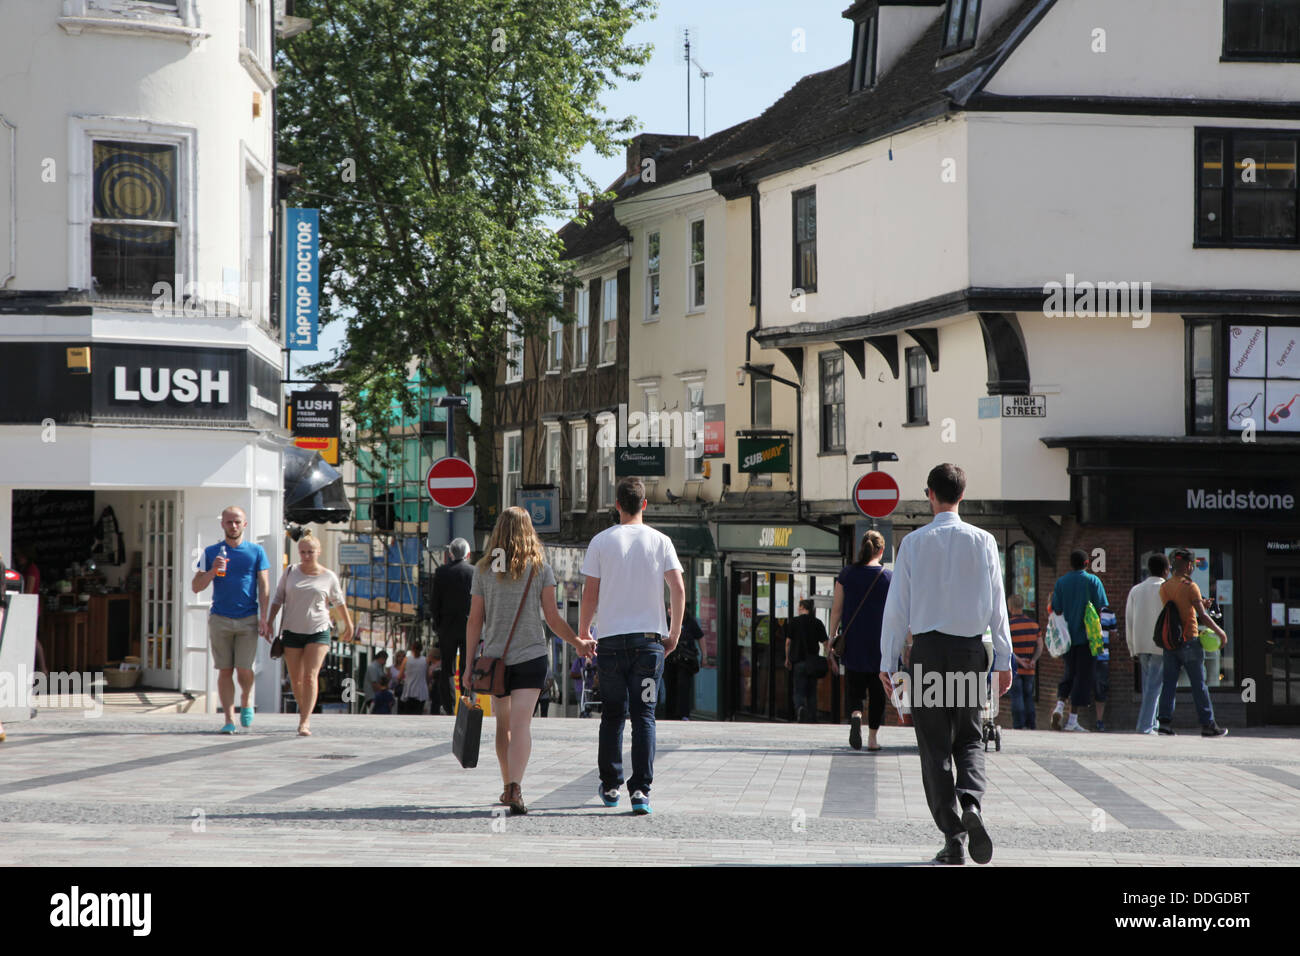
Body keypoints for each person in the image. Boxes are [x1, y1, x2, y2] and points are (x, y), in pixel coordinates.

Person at [880, 463, 1012, 866]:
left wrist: (887, 661)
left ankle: (953, 837)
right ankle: (971, 801)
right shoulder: (985, 540)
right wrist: (1004, 659)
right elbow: (997, 605)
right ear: (962, 495)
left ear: (930, 495)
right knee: (970, 738)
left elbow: (897, 608)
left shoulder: (913, 544)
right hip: (971, 652)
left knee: (933, 746)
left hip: (928, 653)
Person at [463, 506, 592, 814]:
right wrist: (577, 642)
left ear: (497, 531)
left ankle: (508, 785)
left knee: (503, 725)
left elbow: (474, 621)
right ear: (528, 531)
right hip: (531, 656)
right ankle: (516, 788)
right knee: (522, 726)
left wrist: (468, 665)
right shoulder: (539, 568)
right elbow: (552, 617)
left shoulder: (483, 569)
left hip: (495, 661)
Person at [580, 477, 684, 816]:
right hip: (649, 643)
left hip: (609, 643)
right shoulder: (661, 541)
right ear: (644, 505)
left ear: (617, 506)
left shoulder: (601, 541)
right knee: (644, 717)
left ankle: (611, 785)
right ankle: (641, 791)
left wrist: (584, 633)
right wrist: (674, 633)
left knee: (612, 715)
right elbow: (678, 589)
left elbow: (590, 594)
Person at [190, 506, 270, 734]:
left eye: (237, 522)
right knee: (224, 670)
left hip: (247, 618)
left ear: (244, 524)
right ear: (222, 524)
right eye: (229, 522)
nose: (233, 526)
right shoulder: (212, 551)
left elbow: (264, 586)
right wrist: (213, 571)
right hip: (220, 618)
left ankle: (246, 699)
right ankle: (228, 719)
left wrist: (264, 617)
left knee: (244, 669)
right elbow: (196, 586)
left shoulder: (256, 552)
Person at [266, 530, 353, 736]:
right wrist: (268, 621)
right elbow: (278, 599)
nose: (306, 556)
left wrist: (348, 625)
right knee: (295, 679)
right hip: (292, 631)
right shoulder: (290, 572)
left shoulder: (328, 576)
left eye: (310, 552)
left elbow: (339, 603)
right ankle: (303, 709)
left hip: (318, 630)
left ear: (318, 552)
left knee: (310, 676)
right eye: (303, 552)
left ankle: (305, 721)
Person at [829, 530, 891, 750]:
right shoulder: (888, 577)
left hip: (853, 642)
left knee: (854, 689)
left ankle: (855, 714)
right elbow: (897, 614)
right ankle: (872, 739)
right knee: (877, 693)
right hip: (880, 645)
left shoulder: (847, 574)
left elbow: (836, 610)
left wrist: (831, 637)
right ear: (882, 550)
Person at [1157, 549, 1229, 737]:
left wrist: (1197, 605)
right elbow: (1203, 617)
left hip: (1171, 642)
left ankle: (1164, 724)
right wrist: (1220, 632)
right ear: (1189, 565)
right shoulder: (1190, 586)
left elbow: (1177, 610)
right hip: (1190, 640)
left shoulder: (1164, 587)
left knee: (1169, 684)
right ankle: (1208, 725)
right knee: (1199, 684)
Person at [1047, 550, 1107, 733]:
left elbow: (1056, 608)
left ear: (1070, 564)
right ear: (1087, 563)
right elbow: (1100, 606)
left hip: (1067, 638)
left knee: (1069, 672)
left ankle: (1059, 706)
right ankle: (1072, 719)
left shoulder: (1061, 582)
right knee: (1083, 677)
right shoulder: (1093, 581)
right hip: (1088, 638)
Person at [1126, 553, 1170, 734]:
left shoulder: (1136, 590)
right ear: (1166, 570)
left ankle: (1153, 723)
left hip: (1141, 643)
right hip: (1161, 644)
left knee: (1149, 686)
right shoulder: (1166, 589)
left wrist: (1131, 648)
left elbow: (1128, 620)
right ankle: (1145, 725)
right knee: (1154, 687)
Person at [430, 538, 474, 714]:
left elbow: (434, 603)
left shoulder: (441, 573)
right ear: (468, 554)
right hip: (469, 626)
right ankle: (466, 702)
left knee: (447, 668)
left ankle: (448, 707)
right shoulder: (474, 572)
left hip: (447, 627)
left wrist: (438, 624)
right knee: (467, 665)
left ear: (450, 554)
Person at [785, 598, 828, 723]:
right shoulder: (817, 622)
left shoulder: (794, 622)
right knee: (811, 691)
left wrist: (787, 658)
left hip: (798, 662)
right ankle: (812, 716)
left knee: (798, 690)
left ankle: (800, 708)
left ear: (803, 607)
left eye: (799, 608)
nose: (798, 610)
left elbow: (788, 642)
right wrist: (830, 658)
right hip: (813, 662)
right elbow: (825, 643)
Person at [1007, 594, 1042, 730]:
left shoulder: (1009, 626)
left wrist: (1019, 660)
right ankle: (1031, 724)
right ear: (1022, 606)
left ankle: (1019, 724)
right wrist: (1033, 660)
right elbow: (1040, 645)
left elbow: (1007, 648)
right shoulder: (1034, 625)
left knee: (1017, 696)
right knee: (1028, 697)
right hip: (1030, 668)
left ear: (1010, 607)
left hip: (1016, 667)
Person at [12, 544, 47, 677]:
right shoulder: (27, 569)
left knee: (32, 638)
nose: (17, 558)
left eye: (20, 555)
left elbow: (29, 590)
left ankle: (43, 667)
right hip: (28, 607)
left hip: (29, 608)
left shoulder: (31, 570)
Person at [663, 607, 704, 720]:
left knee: (683, 686)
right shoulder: (665, 621)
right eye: (668, 609)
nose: (670, 611)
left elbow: (700, 637)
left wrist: (704, 655)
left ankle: (683, 714)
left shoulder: (689, 621)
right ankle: (670, 715)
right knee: (670, 686)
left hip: (685, 660)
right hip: (669, 659)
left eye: (672, 608)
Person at [399, 641, 430, 715]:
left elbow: (399, 676)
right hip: (421, 692)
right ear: (421, 649)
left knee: (408, 714)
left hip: (409, 690)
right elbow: (427, 677)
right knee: (419, 714)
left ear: (412, 648)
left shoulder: (406, 660)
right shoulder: (425, 660)